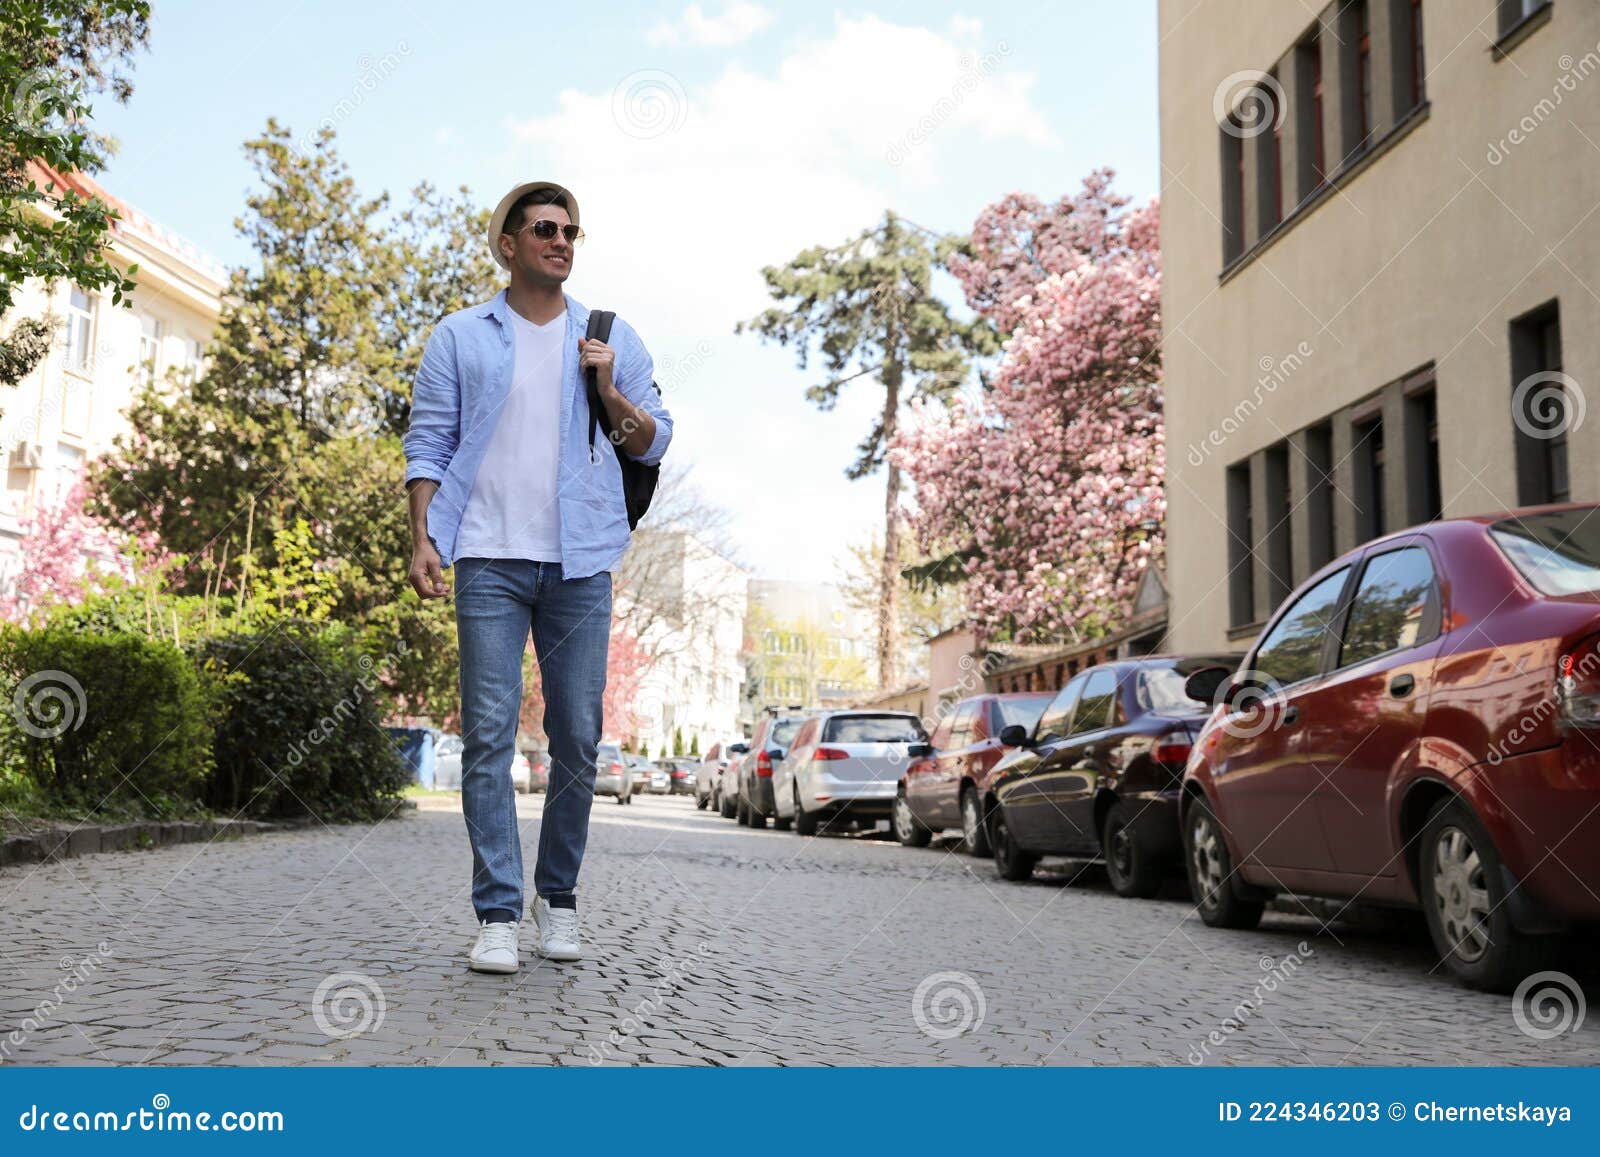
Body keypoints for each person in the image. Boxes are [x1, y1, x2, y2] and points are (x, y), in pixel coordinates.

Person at [402, 181, 672, 972]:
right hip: (486, 554)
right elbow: (429, 441)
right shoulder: (460, 336)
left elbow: (650, 442)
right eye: (545, 229)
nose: (561, 240)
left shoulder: (609, 335)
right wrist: (423, 535)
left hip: (580, 560)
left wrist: (609, 386)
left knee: (578, 740)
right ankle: (496, 910)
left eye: (571, 231)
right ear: (509, 244)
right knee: (488, 736)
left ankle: (558, 899)